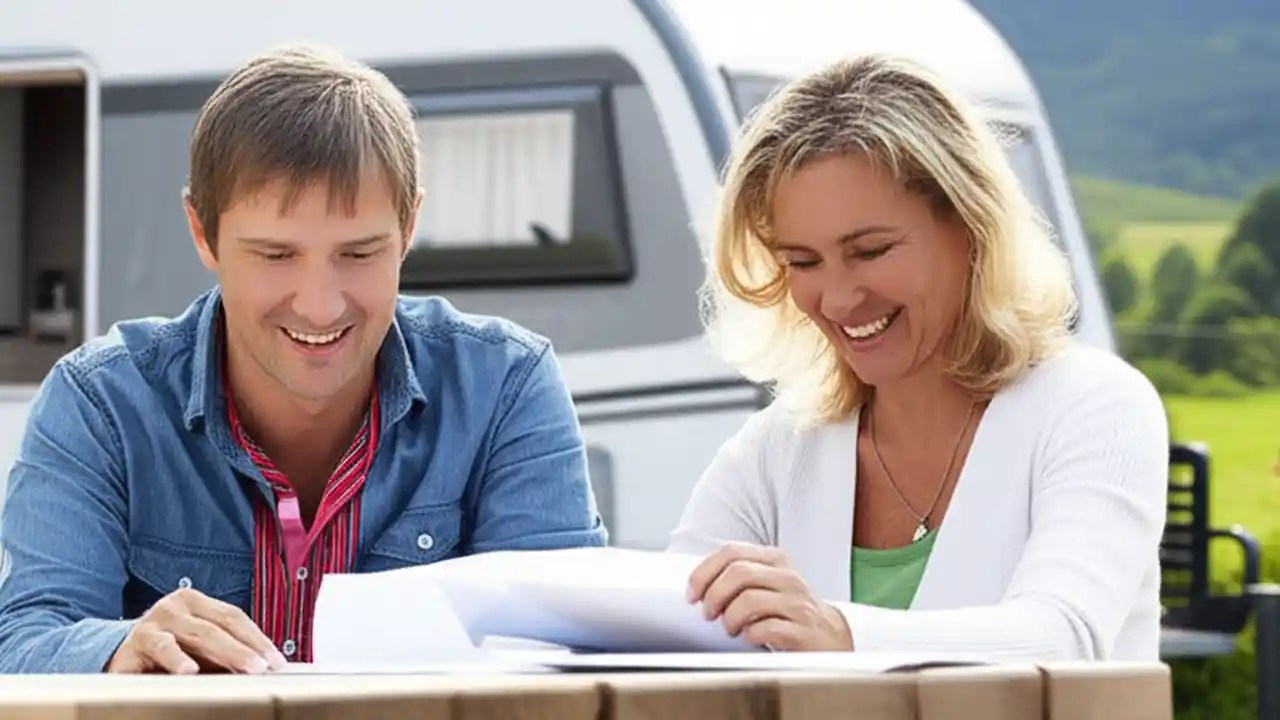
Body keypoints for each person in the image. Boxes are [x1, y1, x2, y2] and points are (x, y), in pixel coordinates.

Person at [0, 44, 605, 674]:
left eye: (360, 253)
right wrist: (119, 652)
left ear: (410, 227)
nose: (320, 306)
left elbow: (565, 654)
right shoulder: (102, 405)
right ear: (201, 233)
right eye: (275, 256)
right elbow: (19, 644)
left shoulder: (506, 387)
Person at [669, 54, 1169, 661]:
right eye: (802, 262)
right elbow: (668, 623)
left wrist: (840, 635)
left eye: (871, 251)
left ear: (970, 227)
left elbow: (1062, 636)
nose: (838, 297)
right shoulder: (774, 452)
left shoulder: (1094, 407)